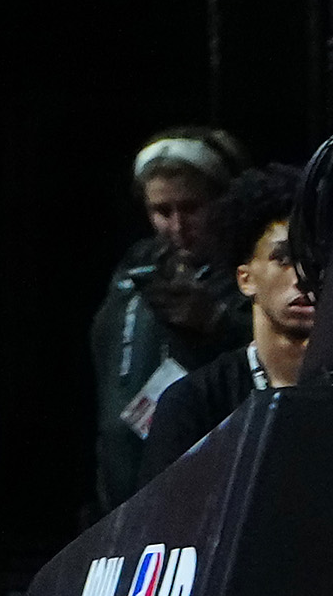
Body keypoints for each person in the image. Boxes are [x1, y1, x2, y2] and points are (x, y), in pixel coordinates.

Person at [87, 126, 249, 509]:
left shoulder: (246, 270)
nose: (177, 226)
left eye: (192, 208)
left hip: (203, 478)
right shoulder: (136, 267)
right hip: (120, 482)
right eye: (162, 211)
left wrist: (217, 322)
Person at [138, 163, 310, 478]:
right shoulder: (192, 405)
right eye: (283, 258)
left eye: (318, 259)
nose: (303, 276)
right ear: (245, 279)